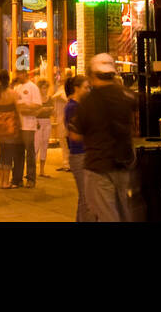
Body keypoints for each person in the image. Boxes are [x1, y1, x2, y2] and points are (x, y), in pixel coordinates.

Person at [72, 54, 136, 222]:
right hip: (123, 164)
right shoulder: (126, 95)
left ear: (92, 75)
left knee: (107, 213)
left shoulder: (88, 101)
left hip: (98, 165)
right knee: (123, 211)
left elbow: (75, 134)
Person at [64, 75, 93, 221]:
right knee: (87, 198)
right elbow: (75, 135)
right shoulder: (72, 108)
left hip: (84, 154)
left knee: (86, 197)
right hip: (79, 155)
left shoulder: (80, 106)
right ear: (77, 88)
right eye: (86, 87)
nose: (89, 90)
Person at [0, 70, 24, 188]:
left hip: (0, 125)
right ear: (8, 79)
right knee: (9, 153)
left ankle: (1, 181)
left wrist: (0, 115)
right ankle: (6, 182)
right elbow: (18, 110)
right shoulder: (13, 93)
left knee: (2, 152)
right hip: (10, 125)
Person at [13, 68, 42, 187]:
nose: (17, 77)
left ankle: (31, 178)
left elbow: (38, 104)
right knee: (18, 153)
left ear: (24, 74)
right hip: (18, 125)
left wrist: (26, 108)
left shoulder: (32, 87)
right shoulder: (16, 88)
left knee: (30, 152)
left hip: (29, 126)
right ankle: (17, 178)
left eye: (19, 74)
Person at [35, 78, 55, 177]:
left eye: (46, 88)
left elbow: (53, 113)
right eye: (43, 88)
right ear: (39, 88)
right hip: (38, 122)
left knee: (44, 146)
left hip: (47, 122)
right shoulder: (37, 99)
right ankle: (32, 170)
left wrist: (51, 110)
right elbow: (35, 113)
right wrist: (43, 109)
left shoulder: (50, 99)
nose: (45, 90)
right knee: (36, 146)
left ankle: (42, 170)